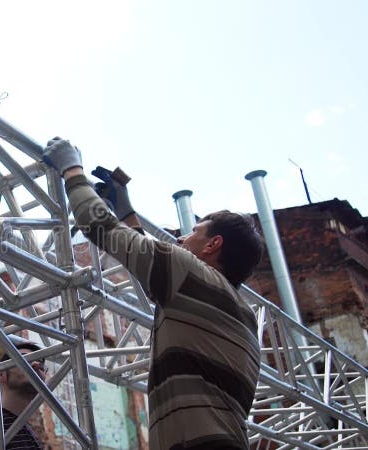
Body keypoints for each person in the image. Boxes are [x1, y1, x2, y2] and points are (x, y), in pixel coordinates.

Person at [42, 138, 264, 450]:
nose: (181, 239)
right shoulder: (242, 316)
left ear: (213, 245)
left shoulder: (189, 275)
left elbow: (100, 226)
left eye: (193, 232)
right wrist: (126, 210)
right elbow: (153, 273)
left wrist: (72, 169)